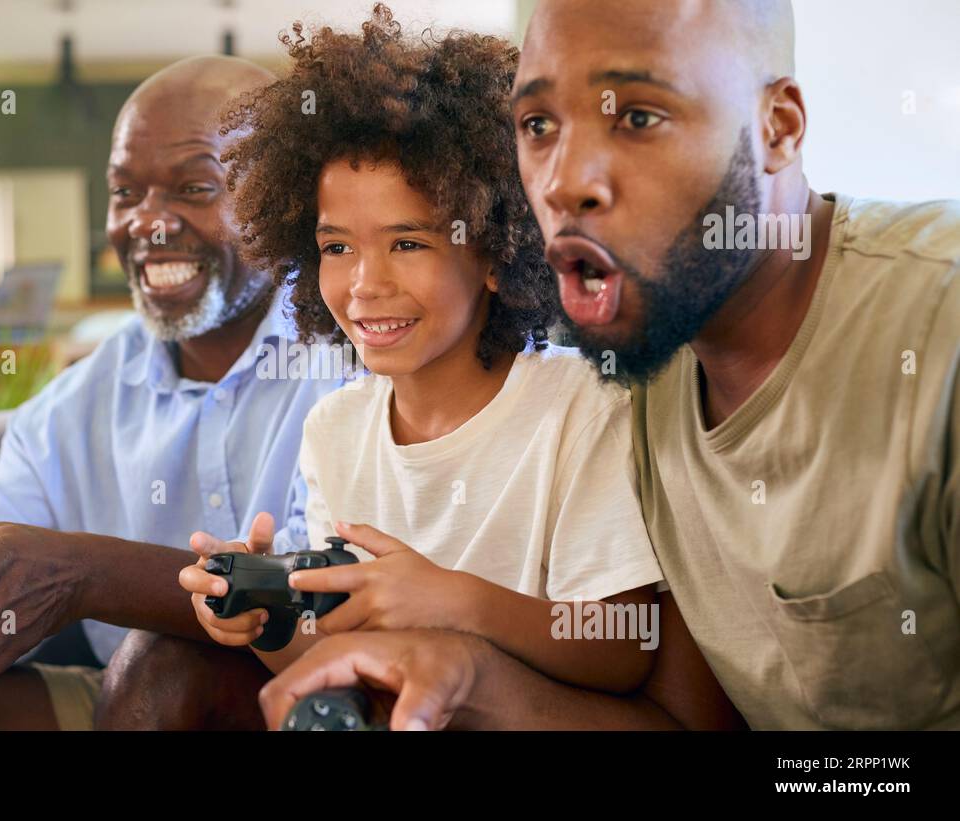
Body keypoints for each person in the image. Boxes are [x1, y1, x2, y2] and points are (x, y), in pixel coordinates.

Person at [260, 0, 960, 731]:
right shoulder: (640, 362)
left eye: (637, 117)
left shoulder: (937, 324)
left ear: (778, 125)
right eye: (537, 127)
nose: (563, 183)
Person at [0, 56, 343, 730]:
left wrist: (88, 574)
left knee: (164, 668)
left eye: (193, 187)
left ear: (281, 201)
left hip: (324, 699)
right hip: (125, 705)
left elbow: (326, 604)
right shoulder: (81, 401)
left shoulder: (355, 353)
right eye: (125, 193)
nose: (147, 224)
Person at [177, 4, 667, 700]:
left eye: (408, 243)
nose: (366, 284)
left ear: (497, 253)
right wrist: (267, 619)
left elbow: (624, 645)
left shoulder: (579, 405)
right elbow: (340, 658)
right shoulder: (335, 430)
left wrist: (448, 599)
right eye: (336, 247)